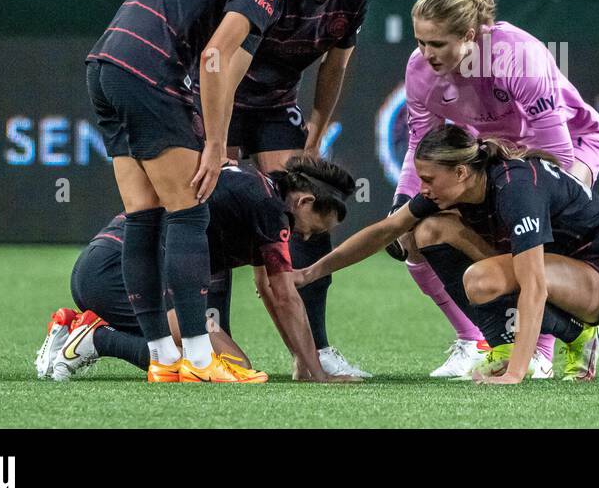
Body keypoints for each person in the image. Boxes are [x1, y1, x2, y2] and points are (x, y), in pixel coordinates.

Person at [85, 0, 348, 383]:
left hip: (106, 64)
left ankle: (164, 360)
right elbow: (212, 59)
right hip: (151, 71)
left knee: (144, 215)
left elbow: (227, 65)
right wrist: (214, 144)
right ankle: (203, 361)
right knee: (189, 211)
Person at [388, 0, 599, 378]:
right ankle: (474, 339)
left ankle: (541, 349)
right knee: (418, 238)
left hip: (570, 146)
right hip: (493, 157)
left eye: (437, 43)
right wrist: (403, 208)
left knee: (531, 236)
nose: (427, 53)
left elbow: (556, 158)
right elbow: (421, 150)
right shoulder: (420, 71)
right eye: (419, 41)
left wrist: (514, 194)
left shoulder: (519, 57)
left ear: (470, 35)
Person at [295, 127, 599, 384]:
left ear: (460, 172)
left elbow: (535, 286)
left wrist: (513, 375)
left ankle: (581, 337)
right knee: (428, 231)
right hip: (558, 269)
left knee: (483, 278)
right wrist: (311, 272)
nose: (422, 187)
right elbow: (385, 231)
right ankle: (501, 345)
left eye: (428, 179)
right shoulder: (456, 187)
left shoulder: (515, 190)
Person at [195, 0, 373, 379]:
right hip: (225, 100)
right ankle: (209, 345)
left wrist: (316, 126)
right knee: (219, 211)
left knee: (304, 218)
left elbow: (336, 65)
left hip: (276, 108)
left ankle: (312, 352)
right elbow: (221, 58)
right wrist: (215, 133)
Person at [35, 157, 360, 384]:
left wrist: (305, 363)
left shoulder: (258, 191)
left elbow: (274, 293)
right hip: (118, 277)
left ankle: (75, 329)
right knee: (219, 367)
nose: (307, 237)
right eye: (315, 229)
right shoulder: (269, 209)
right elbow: (285, 296)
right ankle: (95, 338)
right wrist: (319, 374)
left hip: (103, 265)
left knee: (231, 364)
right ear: (304, 201)